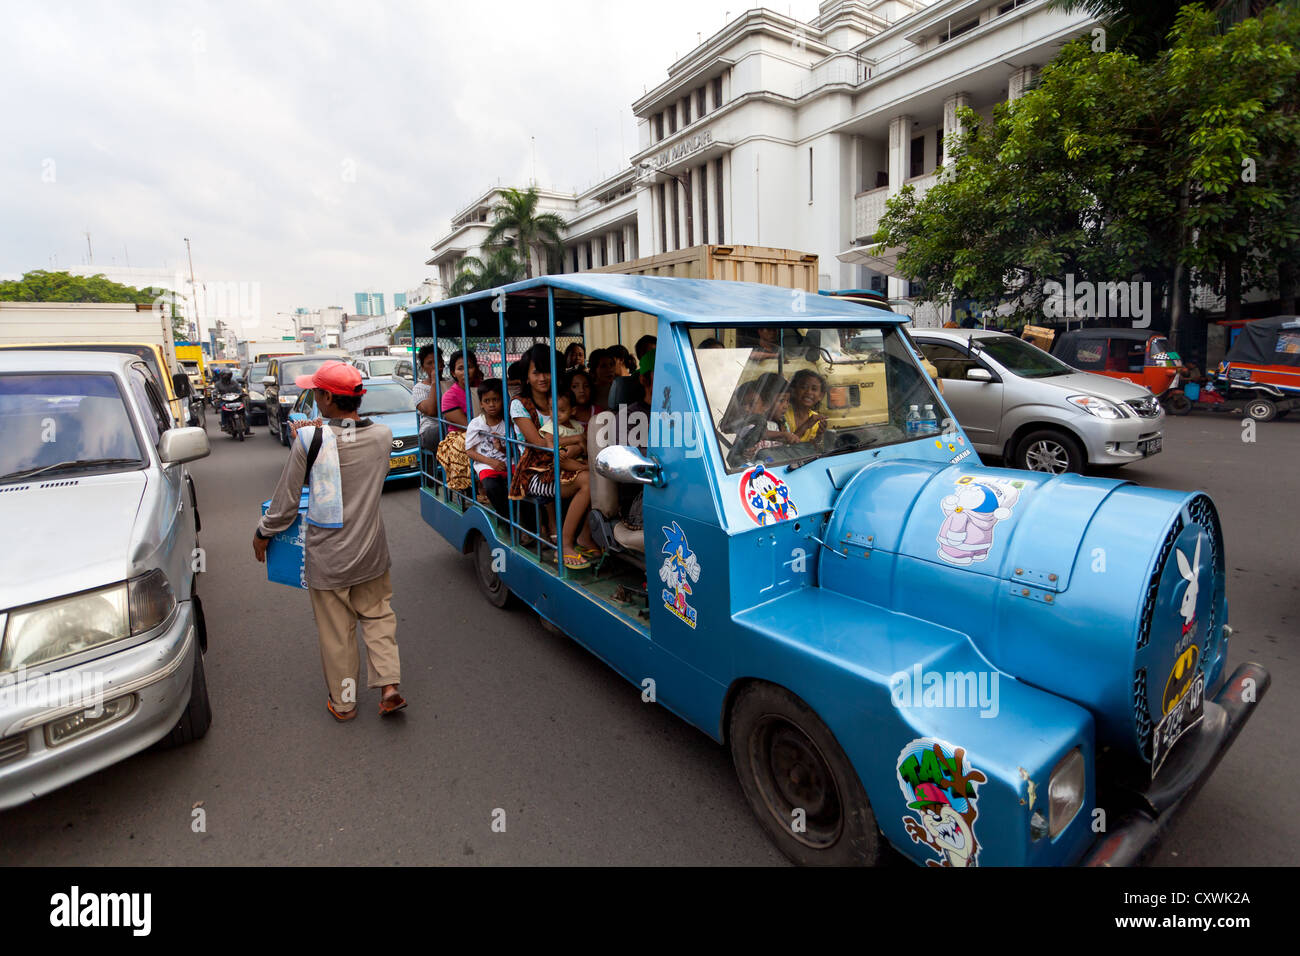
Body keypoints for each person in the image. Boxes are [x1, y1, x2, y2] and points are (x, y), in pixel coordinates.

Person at [253, 361, 405, 721]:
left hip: (329, 557)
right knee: (379, 617)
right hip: (370, 552)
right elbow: (349, 439)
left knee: (338, 634)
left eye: (317, 392)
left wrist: (263, 533)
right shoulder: (382, 436)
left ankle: (345, 703)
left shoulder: (310, 440)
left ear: (324, 397)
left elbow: (286, 503)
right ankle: (388, 686)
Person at [508, 344, 599, 569]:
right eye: (536, 372)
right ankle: (566, 545)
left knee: (602, 477)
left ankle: (586, 536)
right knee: (589, 480)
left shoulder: (560, 399)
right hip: (535, 472)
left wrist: (576, 448)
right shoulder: (519, 404)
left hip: (565, 465)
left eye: (546, 371)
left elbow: (579, 430)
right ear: (527, 377)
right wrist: (577, 444)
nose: (542, 377)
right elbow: (540, 445)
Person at [464, 378, 509, 516]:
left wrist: (501, 448)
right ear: (481, 404)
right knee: (492, 487)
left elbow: (512, 451)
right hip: (486, 465)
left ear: (502, 400)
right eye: (487, 401)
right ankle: (507, 518)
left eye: (495, 400)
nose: (492, 405)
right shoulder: (476, 424)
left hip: (508, 462)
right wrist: (492, 462)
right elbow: (469, 451)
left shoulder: (508, 422)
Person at [784, 369, 829, 442]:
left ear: (821, 396)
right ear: (794, 390)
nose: (808, 392)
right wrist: (806, 425)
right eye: (803, 387)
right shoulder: (784, 414)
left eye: (814, 389)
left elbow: (813, 448)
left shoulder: (817, 420)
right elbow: (785, 446)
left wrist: (819, 435)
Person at [441, 350, 480, 431]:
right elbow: (469, 426)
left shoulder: (484, 388)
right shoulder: (449, 397)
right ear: (453, 373)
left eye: (469, 367)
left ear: (476, 369)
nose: (466, 372)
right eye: (460, 368)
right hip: (462, 437)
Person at [412, 344, 442, 451]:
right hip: (431, 431)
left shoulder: (451, 382)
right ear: (423, 368)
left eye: (437, 361)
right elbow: (431, 411)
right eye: (430, 363)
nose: (434, 366)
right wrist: (434, 382)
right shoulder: (419, 388)